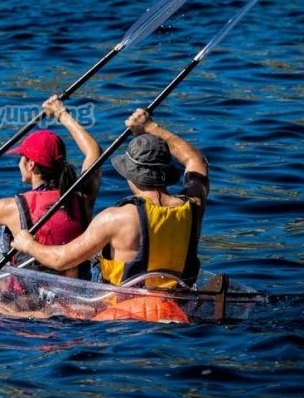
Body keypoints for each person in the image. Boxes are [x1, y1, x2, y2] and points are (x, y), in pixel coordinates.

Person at [12, 108, 209, 289]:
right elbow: (196, 160)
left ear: (130, 175)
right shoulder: (193, 206)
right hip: (180, 308)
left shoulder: (115, 218)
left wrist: (28, 244)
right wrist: (151, 127)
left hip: (126, 314)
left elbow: (61, 260)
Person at [0, 94, 102, 280]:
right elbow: (94, 152)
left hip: (25, 296)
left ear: (31, 164)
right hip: (76, 290)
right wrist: (61, 113)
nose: (18, 163)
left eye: (21, 158)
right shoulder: (82, 196)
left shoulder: (12, 207)